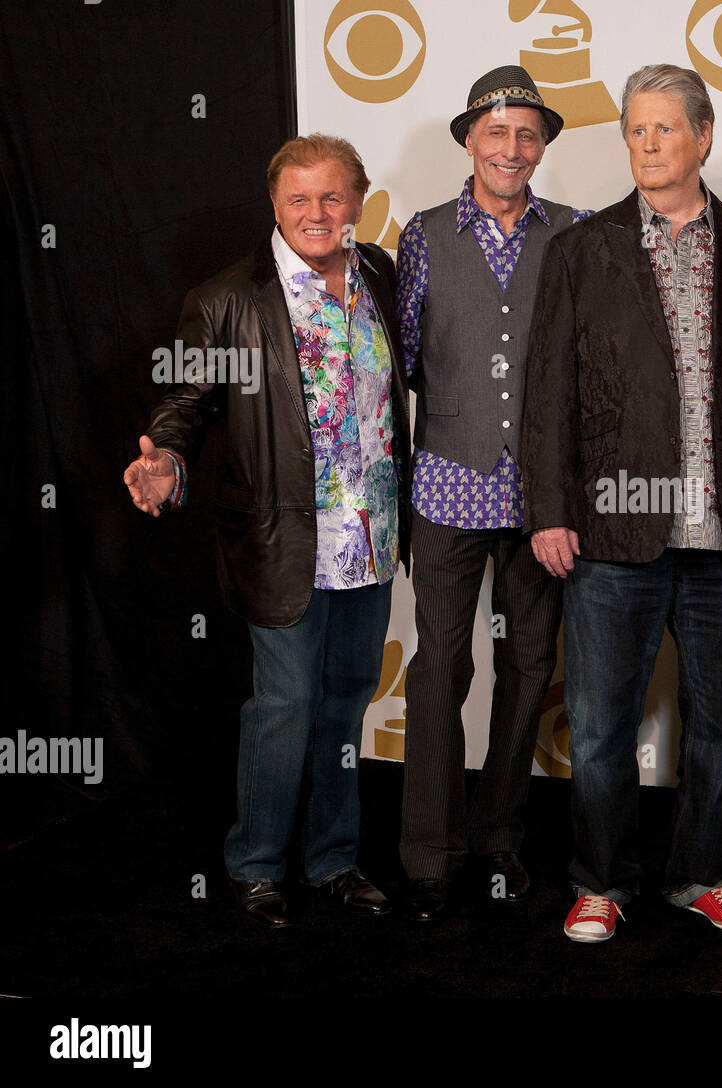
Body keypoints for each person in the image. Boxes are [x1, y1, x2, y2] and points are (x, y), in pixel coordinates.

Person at [521, 63, 722, 943]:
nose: (647, 146)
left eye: (664, 130)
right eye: (635, 131)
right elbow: (546, 393)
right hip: (609, 534)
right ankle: (601, 882)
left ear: (703, 137)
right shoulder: (581, 249)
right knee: (601, 729)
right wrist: (548, 510)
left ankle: (704, 876)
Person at [123, 134, 411, 926]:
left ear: (356, 201)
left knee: (348, 702)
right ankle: (255, 863)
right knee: (284, 703)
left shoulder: (378, 275)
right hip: (282, 540)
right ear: (274, 206)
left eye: (331, 197)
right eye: (298, 199)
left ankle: (333, 860)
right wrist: (167, 466)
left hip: (373, 535)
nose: (316, 213)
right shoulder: (228, 299)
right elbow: (186, 404)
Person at [393, 66, 591, 922]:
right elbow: (402, 356)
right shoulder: (423, 234)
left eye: (527, 134)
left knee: (528, 664)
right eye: (496, 131)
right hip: (446, 485)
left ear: (542, 146)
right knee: (439, 665)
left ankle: (500, 833)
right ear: (470, 140)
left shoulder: (578, 234)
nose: (511, 148)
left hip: (542, 498)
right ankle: (429, 850)